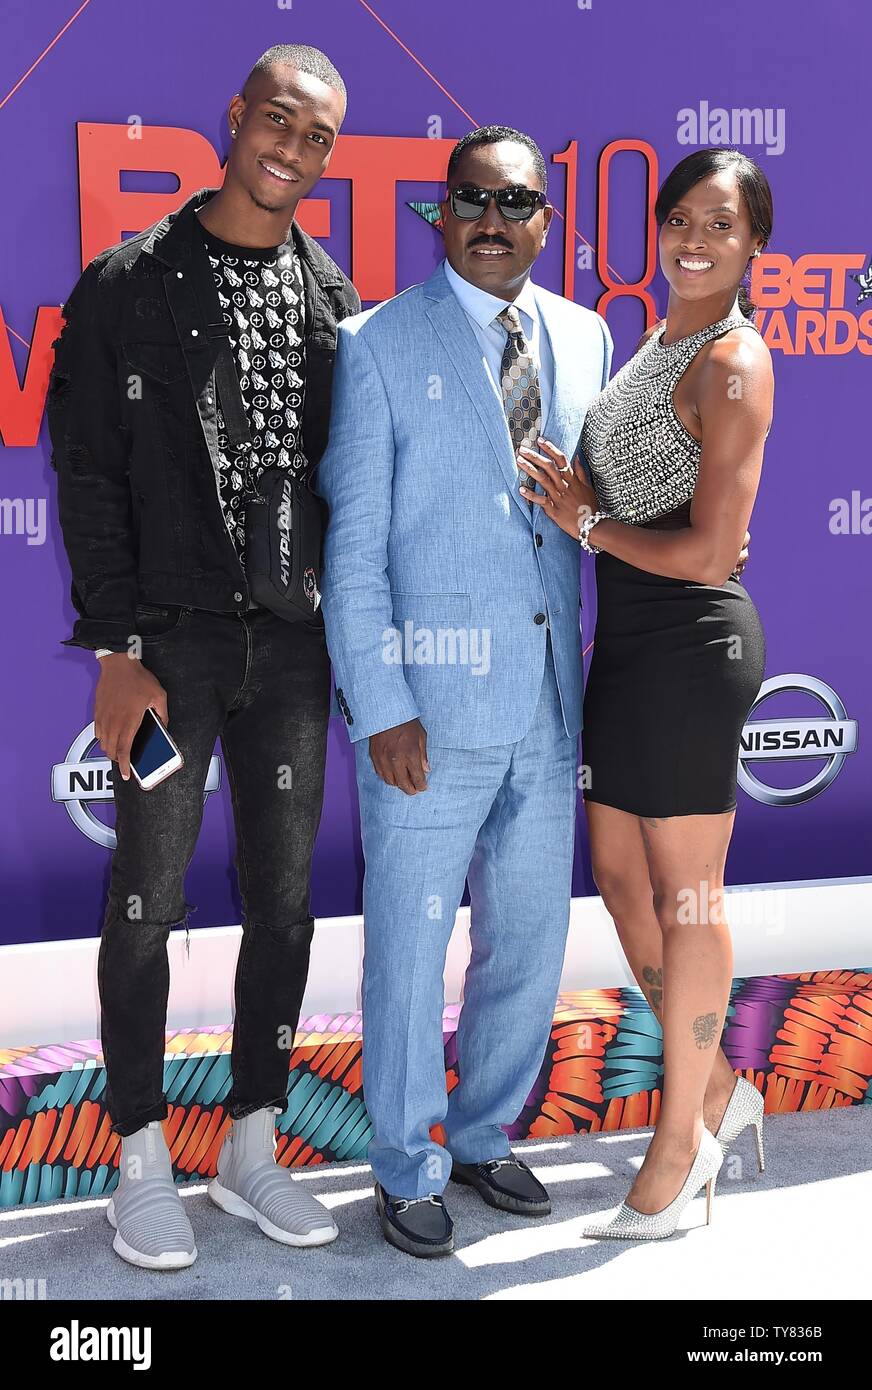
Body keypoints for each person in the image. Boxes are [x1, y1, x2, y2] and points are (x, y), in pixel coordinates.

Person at [48, 44, 359, 1269]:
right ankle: (137, 1154)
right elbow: (87, 476)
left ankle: (249, 1141)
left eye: (318, 135)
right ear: (234, 120)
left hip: (289, 653)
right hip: (167, 651)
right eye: (277, 120)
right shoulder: (127, 282)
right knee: (148, 899)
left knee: (282, 903)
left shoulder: (336, 298)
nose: (292, 147)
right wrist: (119, 647)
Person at [316, 124, 615, 1258]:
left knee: (527, 939)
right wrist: (382, 705)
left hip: (549, 702)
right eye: (471, 200)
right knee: (408, 940)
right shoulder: (377, 343)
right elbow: (353, 554)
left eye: (516, 202)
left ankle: (486, 1131)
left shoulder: (585, 338)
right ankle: (404, 1163)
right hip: (425, 719)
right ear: (440, 212)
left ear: (547, 218)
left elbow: (604, 500)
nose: (493, 221)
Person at [516, 147, 773, 1239]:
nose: (693, 239)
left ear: (753, 243)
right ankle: (715, 1092)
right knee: (621, 879)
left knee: (690, 894)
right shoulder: (655, 340)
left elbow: (712, 549)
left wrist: (583, 523)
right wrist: (585, 504)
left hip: (688, 642)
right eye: (678, 219)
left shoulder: (732, 360)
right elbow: (623, 496)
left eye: (719, 223)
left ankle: (680, 1144)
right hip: (623, 640)